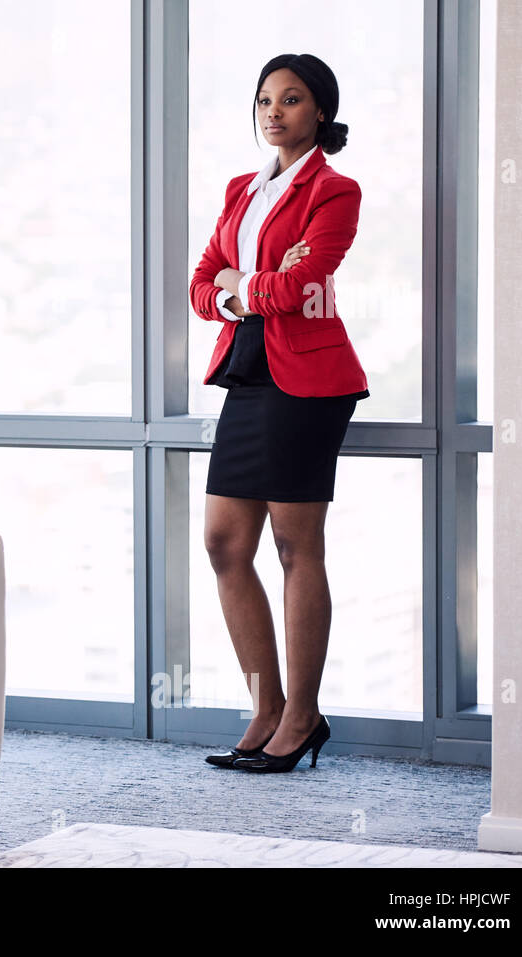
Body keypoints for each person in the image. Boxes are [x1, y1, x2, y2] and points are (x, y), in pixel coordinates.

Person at [189, 53, 370, 773]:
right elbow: (203, 285)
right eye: (266, 99)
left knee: (298, 549)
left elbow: (299, 290)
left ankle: (302, 714)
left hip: (307, 386)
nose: (275, 111)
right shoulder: (243, 189)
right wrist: (244, 283)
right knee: (224, 543)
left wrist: (249, 282)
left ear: (319, 110)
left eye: (292, 100)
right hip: (245, 375)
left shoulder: (335, 190)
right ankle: (264, 707)